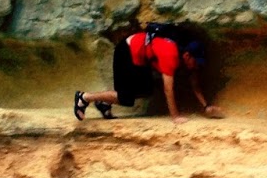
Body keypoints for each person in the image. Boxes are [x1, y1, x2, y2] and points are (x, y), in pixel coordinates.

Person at [76, 26, 223, 124]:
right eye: (196, 62)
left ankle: (104, 102)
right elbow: (168, 89)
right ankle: (84, 97)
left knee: (146, 90)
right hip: (127, 51)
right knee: (126, 98)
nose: (197, 66)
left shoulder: (186, 59)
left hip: (141, 58)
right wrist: (175, 116)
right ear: (187, 55)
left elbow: (195, 84)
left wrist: (206, 106)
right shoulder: (170, 54)